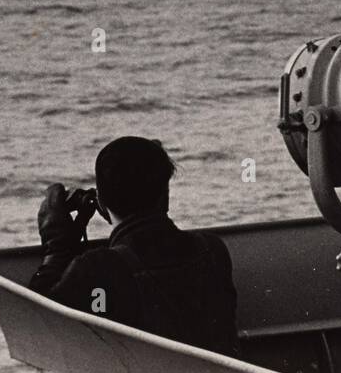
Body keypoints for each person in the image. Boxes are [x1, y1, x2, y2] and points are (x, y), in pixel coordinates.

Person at [29, 136, 241, 357]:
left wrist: (57, 245)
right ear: (166, 196)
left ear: (101, 203)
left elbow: (38, 322)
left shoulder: (98, 268)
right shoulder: (212, 249)